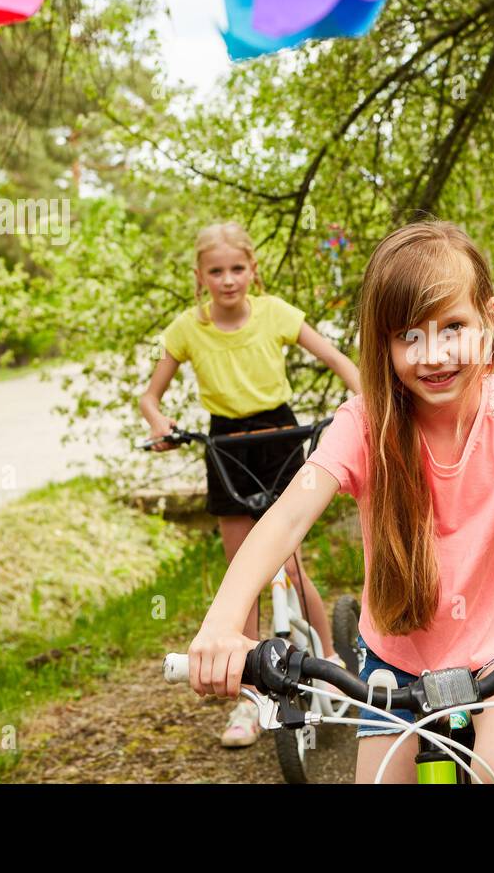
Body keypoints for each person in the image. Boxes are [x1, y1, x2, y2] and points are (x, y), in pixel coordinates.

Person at [187, 220, 494, 783]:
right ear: (383, 342)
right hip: (395, 662)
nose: (433, 354)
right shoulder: (364, 425)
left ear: (490, 319)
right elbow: (289, 515)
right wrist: (224, 622)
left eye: (453, 327)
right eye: (408, 335)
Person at [140, 221, 361, 748]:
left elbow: (338, 360)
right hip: (226, 443)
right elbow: (151, 397)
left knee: (286, 560)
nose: (228, 280)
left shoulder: (276, 313)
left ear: (252, 270)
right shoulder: (186, 329)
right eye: (216, 271)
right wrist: (159, 425)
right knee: (245, 572)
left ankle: (329, 659)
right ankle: (246, 698)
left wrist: (364, 404)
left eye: (237, 268)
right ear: (200, 277)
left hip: (280, 434)